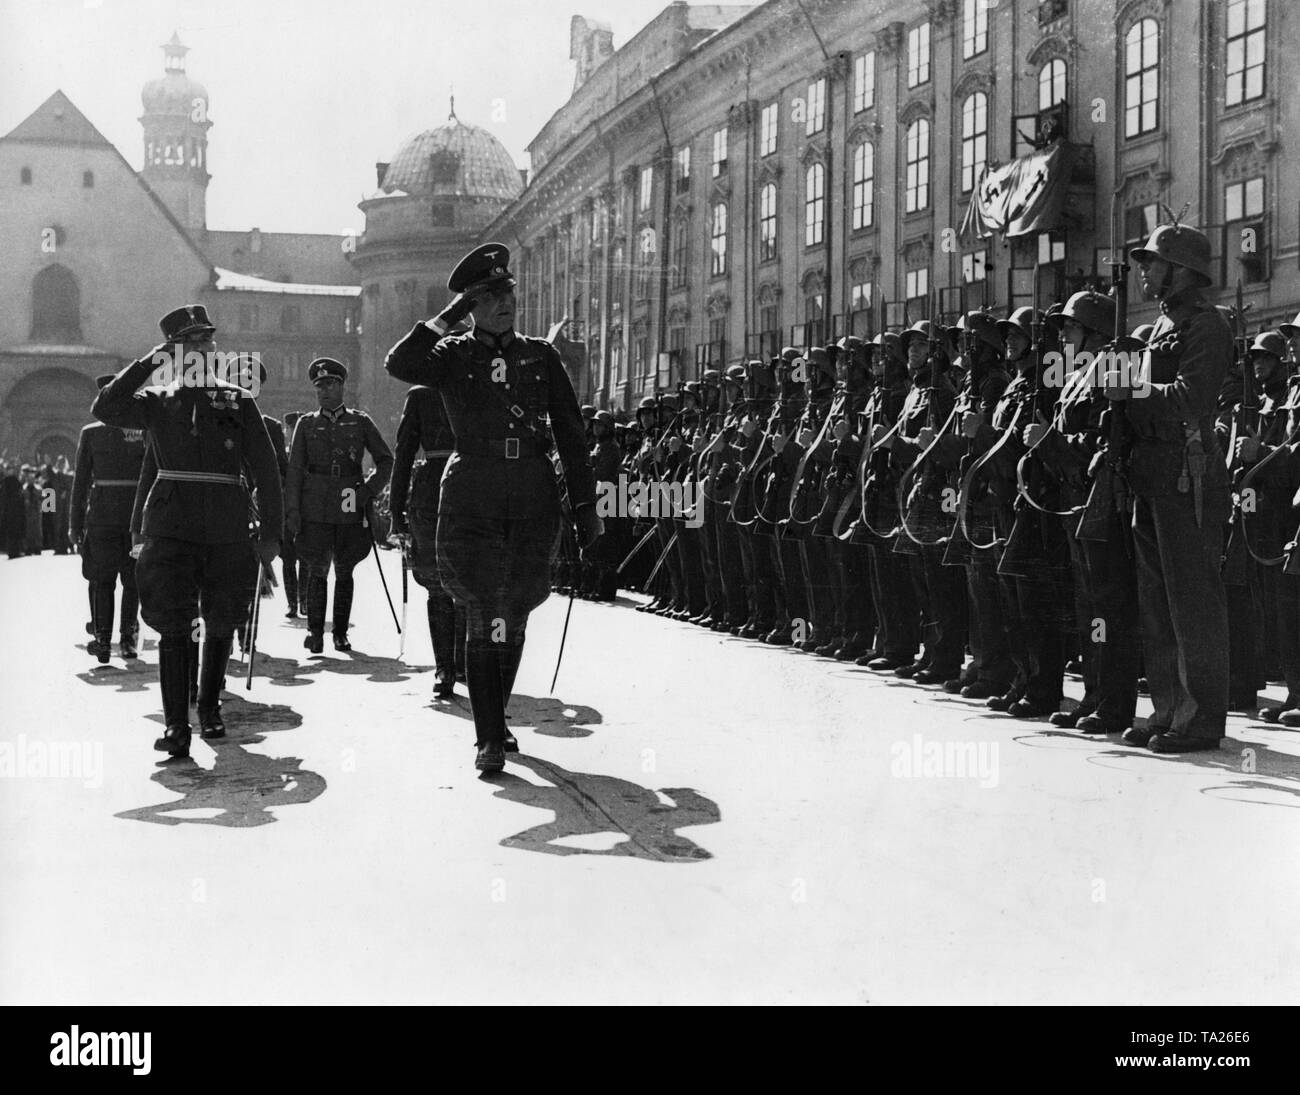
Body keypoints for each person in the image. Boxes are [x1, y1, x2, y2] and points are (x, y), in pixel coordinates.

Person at [383, 242, 601, 773]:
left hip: (530, 494)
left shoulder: (540, 357)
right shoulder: (453, 356)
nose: (504, 303)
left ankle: (498, 717)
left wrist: (586, 506)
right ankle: (487, 737)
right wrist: (451, 314)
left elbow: (572, 437)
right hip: (473, 494)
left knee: (518, 610)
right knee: (483, 612)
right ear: (472, 305)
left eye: (507, 292)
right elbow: (400, 362)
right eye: (490, 295)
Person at [92, 304, 282, 758]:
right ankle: (177, 725)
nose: (201, 349)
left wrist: (271, 533)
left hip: (227, 526)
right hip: (172, 527)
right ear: (174, 353)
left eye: (206, 341)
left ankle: (210, 708)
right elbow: (105, 406)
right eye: (188, 343)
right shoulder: (157, 401)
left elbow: (266, 468)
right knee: (175, 626)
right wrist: (155, 359)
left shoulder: (238, 400)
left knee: (219, 621)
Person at [1106, 222, 1232, 751]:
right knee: (1157, 601)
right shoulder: (1159, 327)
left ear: (1180, 270)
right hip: (1153, 472)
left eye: (1151, 262)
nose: (1143, 271)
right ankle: (1167, 710)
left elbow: (1191, 398)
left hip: (1188, 474)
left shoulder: (1207, 325)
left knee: (1191, 601)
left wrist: (1131, 385)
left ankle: (1199, 719)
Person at [283, 358, 393, 653]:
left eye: (330, 385)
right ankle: (315, 633)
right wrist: (292, 510)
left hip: (349, 503)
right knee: (317, 569)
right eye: (319, 386)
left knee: (345, 569)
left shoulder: (360, 421)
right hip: (315, 505)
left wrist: (368, 491)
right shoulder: (307, 424)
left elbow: (386, 461)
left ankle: (340, 633)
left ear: (342, 386)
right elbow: (294, 471)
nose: (324, 391)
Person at [389, 382, 466, 696]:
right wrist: (396, 511)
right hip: (431, 494)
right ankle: (445, 667)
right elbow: (404, 453)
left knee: (470, 583)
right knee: (437, 585)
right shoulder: (421, 394)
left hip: (473, 488)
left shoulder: (477, 383)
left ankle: (465, 663)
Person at [70, 375, 146, 662]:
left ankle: (108, 639)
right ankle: (122, 639)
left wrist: (75, 525)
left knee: (111, 580)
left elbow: (80, 484)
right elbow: (79, 483)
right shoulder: (140, 431)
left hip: (105, 517)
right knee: (127, 580)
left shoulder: (92, 433)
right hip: (130, 518)